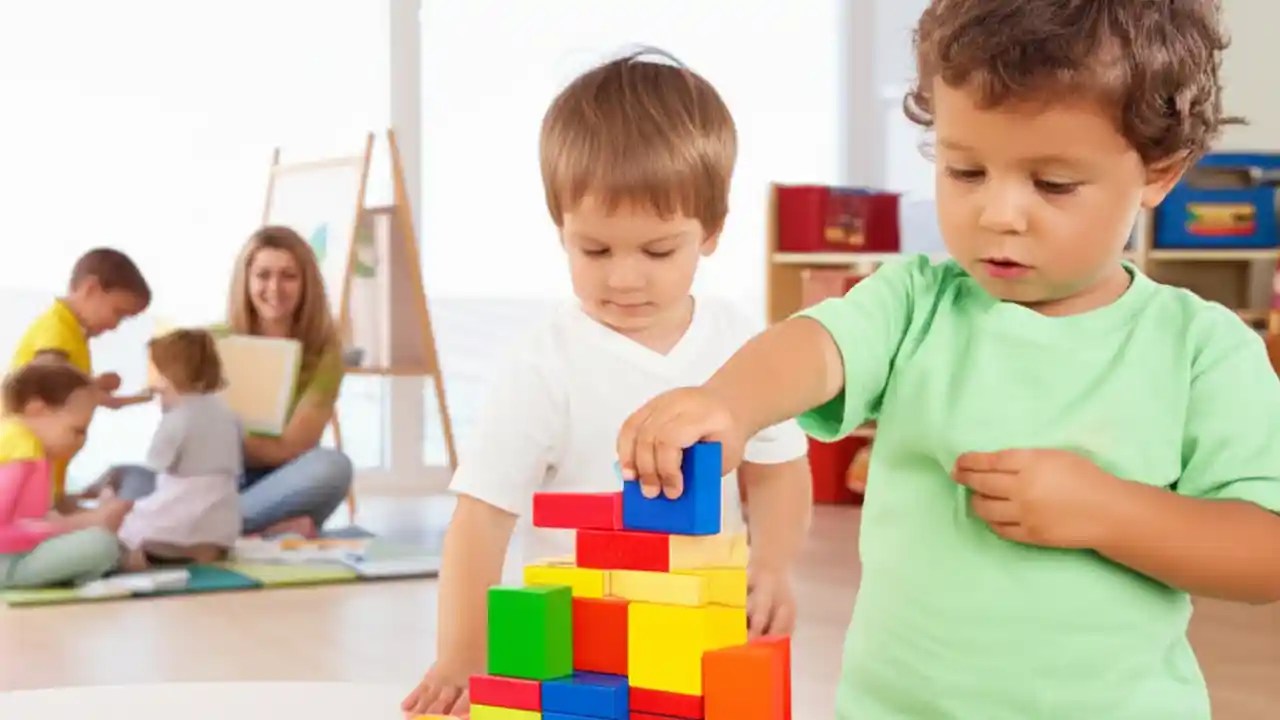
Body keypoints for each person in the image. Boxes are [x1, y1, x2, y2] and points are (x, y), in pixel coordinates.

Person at [615, 2, 1280, 719]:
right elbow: (815, 346)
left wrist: (1108, 511)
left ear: (1160, 171)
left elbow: (1262, 551)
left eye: (1053, 184)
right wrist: (730, 402)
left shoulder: (1201, 350)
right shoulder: (916, 302)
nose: (999, 213)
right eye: (966, 171)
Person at [401, 48, 813, 718]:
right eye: (594, 250)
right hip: (576, 649)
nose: (623, 278)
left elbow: (780, 471)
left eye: (657, 251)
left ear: (711, 232)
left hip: (698, 638)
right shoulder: (543, 362)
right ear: (560, 228)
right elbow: (481, 517)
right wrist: (461, 653)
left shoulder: (740, 344)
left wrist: (772, 565)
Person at [112, 226, 353, 538]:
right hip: (209, 477)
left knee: (332, 467)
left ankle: (200, 527)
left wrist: (217, 435)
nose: (274, 288)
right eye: (263, 275)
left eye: (288, 276)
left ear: (306, 284)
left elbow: (293, 448)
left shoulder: (324, 355)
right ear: (247, 280)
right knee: (128, 477)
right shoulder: (211, 340)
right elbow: (174, 416)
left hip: (278, 482)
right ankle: (259, 530)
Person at [10, 247, 154, 513]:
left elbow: (75, 394)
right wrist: (94, 386)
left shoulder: (73, 334)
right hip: (28, 458)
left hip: (49, 467)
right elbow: (48, 382)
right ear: (91, 289)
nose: (115, 326)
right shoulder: (56, 330)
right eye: (118, 313)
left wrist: (135, 396)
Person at [116, 329, 244, 567]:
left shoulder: (178, 418)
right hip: (221, 523)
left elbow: (157, 463)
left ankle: (150, 554)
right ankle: (205, 551)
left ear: (167, 376)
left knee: (124, 526)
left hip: (179, 516)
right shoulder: (229, 414)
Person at [0, 363, 127, 589]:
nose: (82, 441)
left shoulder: (21, 444)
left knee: (101, 542)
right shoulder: (21, 448)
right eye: (77, 430)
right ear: (36, 410)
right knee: (103, 544)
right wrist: (80, 523)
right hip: (6, 563)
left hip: (12, 556)